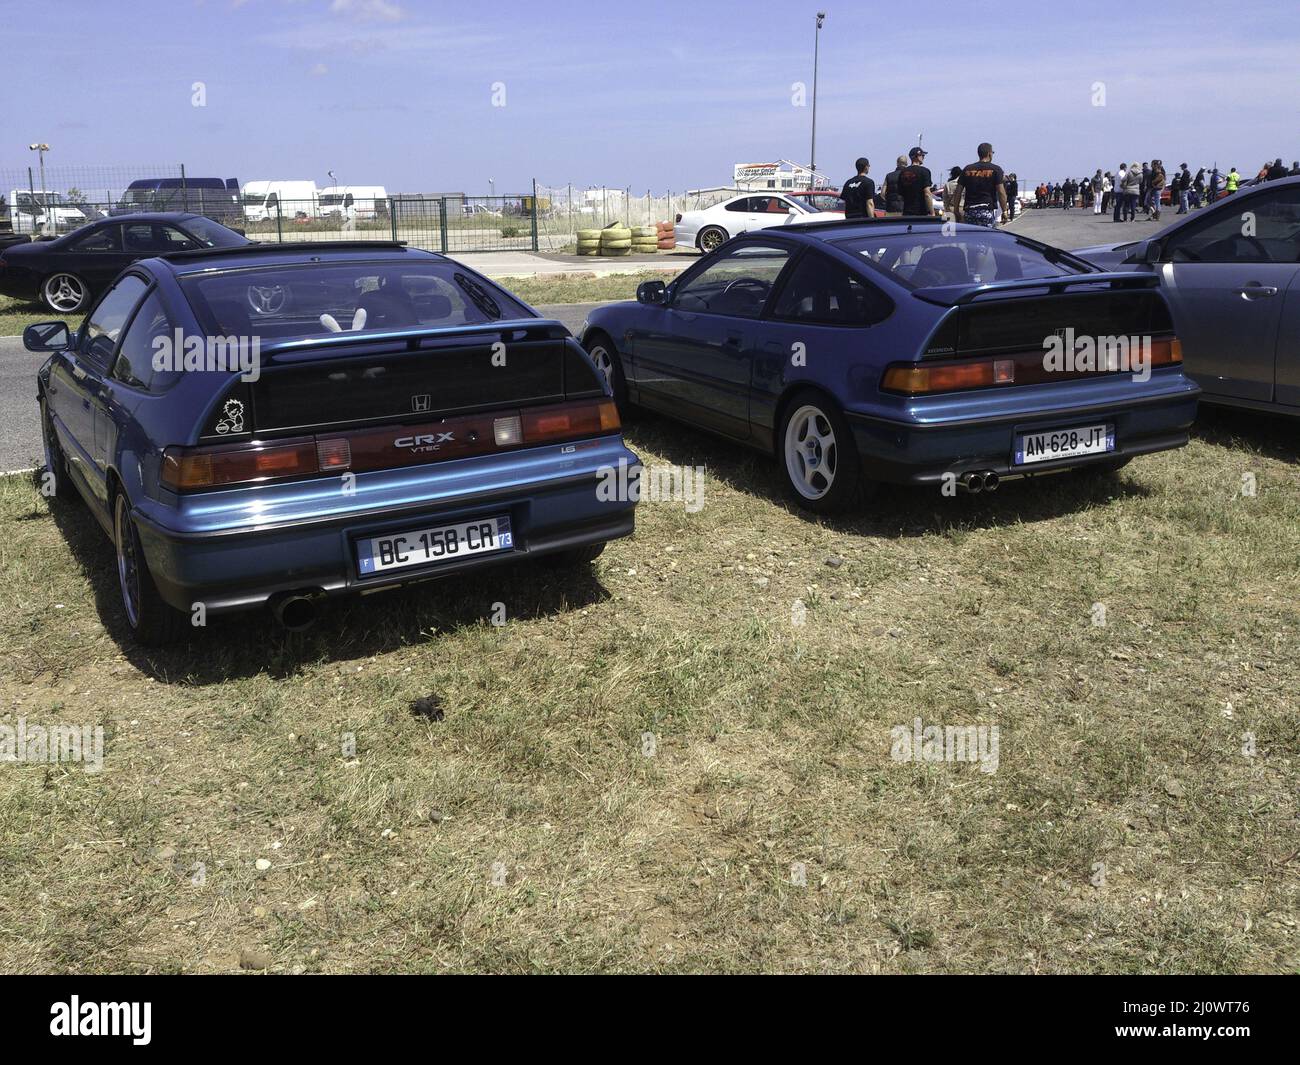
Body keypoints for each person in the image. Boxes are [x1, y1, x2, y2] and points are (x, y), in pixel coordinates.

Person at [952, 142, 1007, 228]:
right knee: (987, 238)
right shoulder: (996, 169)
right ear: (989, 153)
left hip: (970, 211)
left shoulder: (967, 169)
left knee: (971, 238)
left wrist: (956, 210)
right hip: (986, 210)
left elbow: (958, 191)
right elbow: (1001, 192)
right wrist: (1004, 210)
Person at [897, 146, 934, 216]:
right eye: (922, 155)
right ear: (917, 156)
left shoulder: (903, 172)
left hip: (906, 212)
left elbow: (900, 195)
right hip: (921, 212)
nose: (923, 157)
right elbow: (927, 194)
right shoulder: (925, 171)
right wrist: (932, 212)